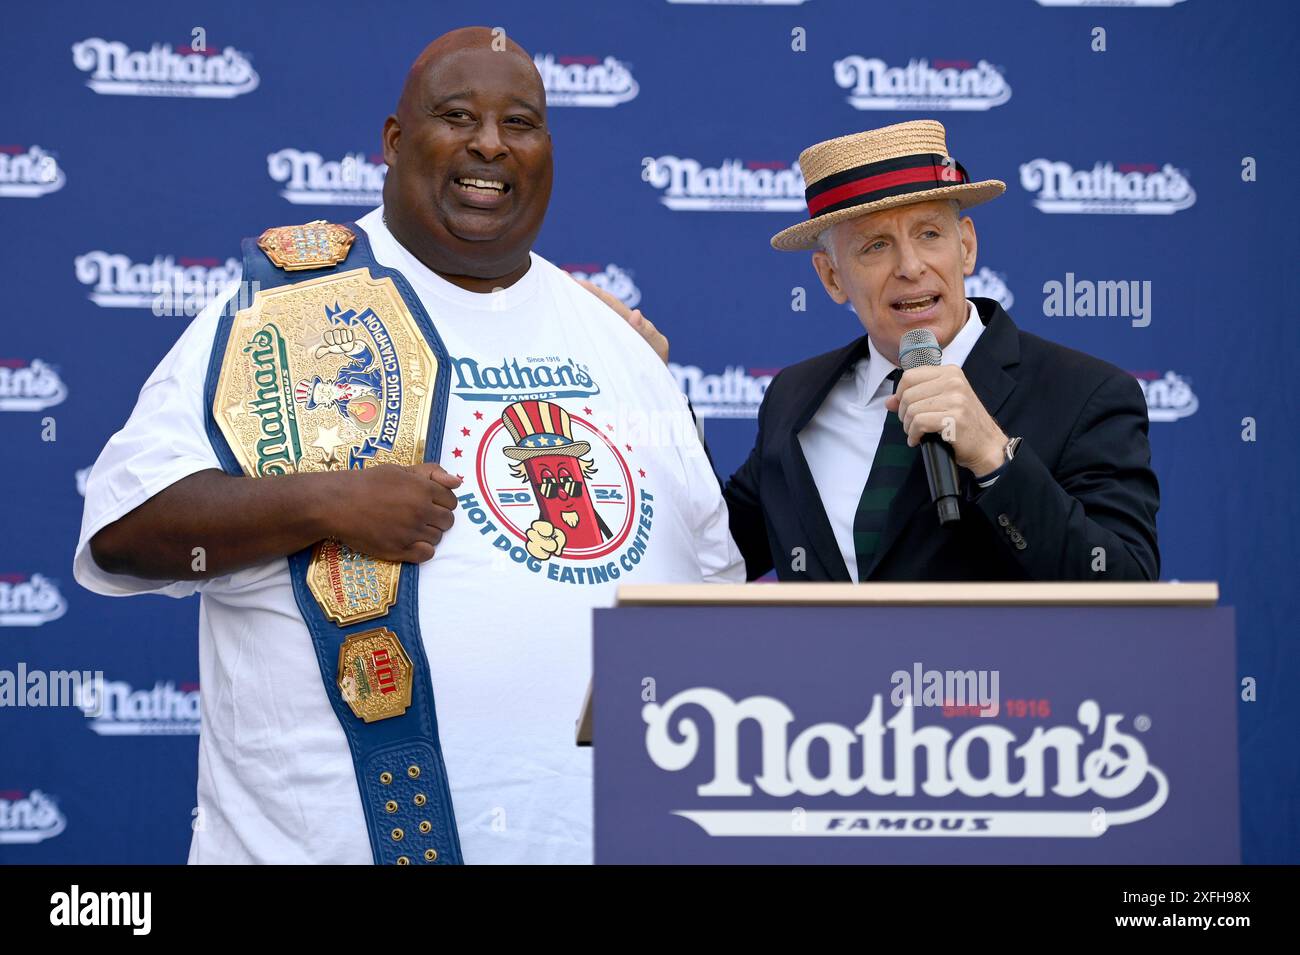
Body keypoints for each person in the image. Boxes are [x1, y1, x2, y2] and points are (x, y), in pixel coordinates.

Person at [74, 26, 742, 865]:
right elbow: (124, 530)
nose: (490, 144)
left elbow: (710, 600)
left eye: (520, 123)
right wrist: (323, 501)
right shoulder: (284, 311)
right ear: (394, 142)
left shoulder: (619, 346)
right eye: (457, 116)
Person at [722, 120, 1159, 582]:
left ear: (965, 246)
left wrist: (995, 458)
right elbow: (712, 556)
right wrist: (665, 404)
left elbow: (1127, 589)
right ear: (831, 277)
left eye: (929, 234)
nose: (910, 267)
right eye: (876, 245)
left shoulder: (1085, 393)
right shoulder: (793, 398)